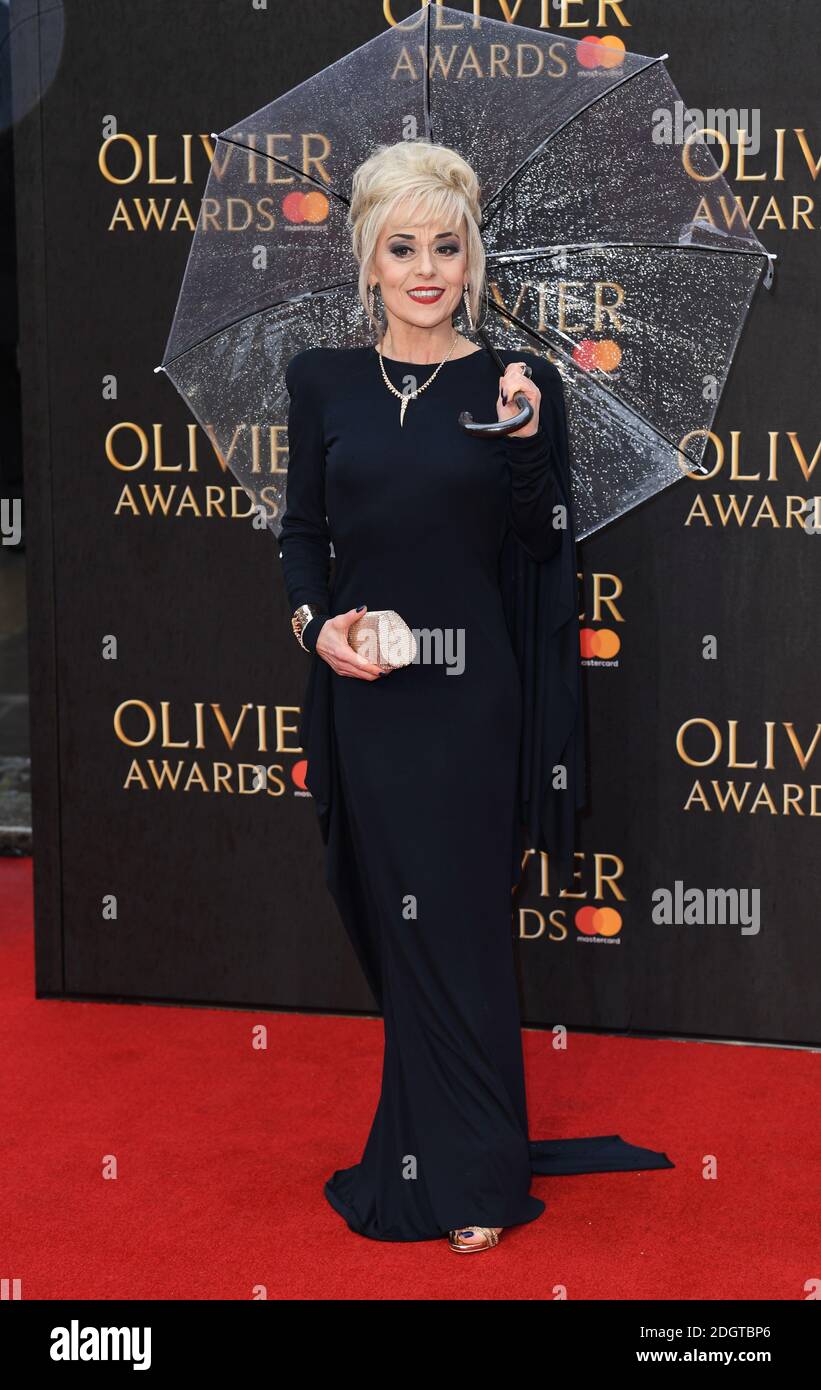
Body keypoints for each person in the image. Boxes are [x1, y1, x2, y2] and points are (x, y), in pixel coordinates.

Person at [279, 140, 672, 1252]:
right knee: (398, 930)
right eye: (401, 246)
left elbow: (543, 547)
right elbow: (301, 536)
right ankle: (427, 1142)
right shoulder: (320, 380)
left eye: (444, 246)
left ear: (471, 256)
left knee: (456, 926)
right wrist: (321, 631)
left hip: (467, 694)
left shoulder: (512, 380)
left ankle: (472, 1171)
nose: (424, 268)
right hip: (365, 690)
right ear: (365, 254)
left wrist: (528, 443)